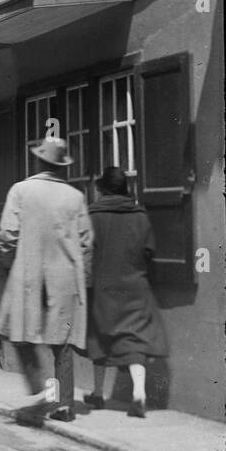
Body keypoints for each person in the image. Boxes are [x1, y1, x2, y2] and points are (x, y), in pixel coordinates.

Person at [0, 135, 94, 427]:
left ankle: (40, 385)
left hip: (29, 274)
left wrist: (10, 262)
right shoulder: (75, 197)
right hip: (64, 278)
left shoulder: (21, 190)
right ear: (62, 166)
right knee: (60, 345)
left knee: (17, 331)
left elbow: (7, 234)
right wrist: (84, 279)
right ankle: (62, 404)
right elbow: (86, 243)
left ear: (39, 161)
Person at [83, 166, 169, 418]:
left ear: (104, 189)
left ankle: (98, 394)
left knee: (99, 338)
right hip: (135, 286)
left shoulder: (92, 216)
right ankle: (139, 395)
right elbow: (149, 251)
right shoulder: (140, 215)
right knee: (134, 339)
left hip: (103, 288)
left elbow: (85, 251)